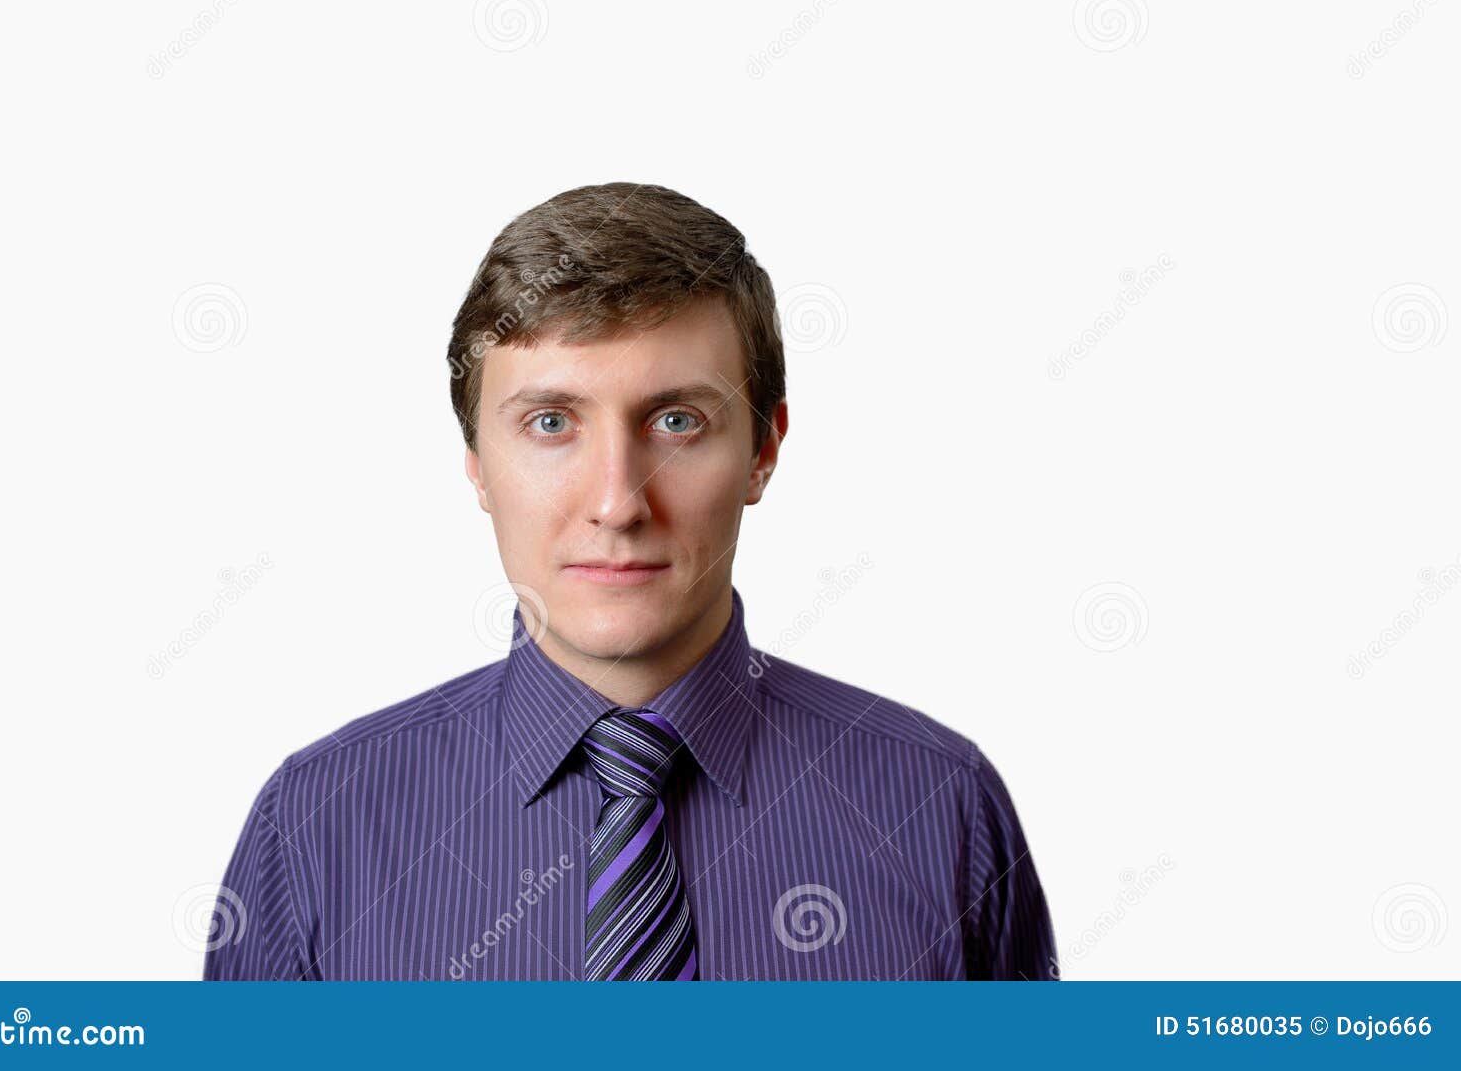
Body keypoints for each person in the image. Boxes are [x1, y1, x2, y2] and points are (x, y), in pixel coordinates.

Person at [204, 182, 1057, 980]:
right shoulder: (315, 827)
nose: (617, 503)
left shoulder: (942, 809)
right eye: (550, 422)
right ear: (476, 463)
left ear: (763, 450)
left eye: (677, 421)